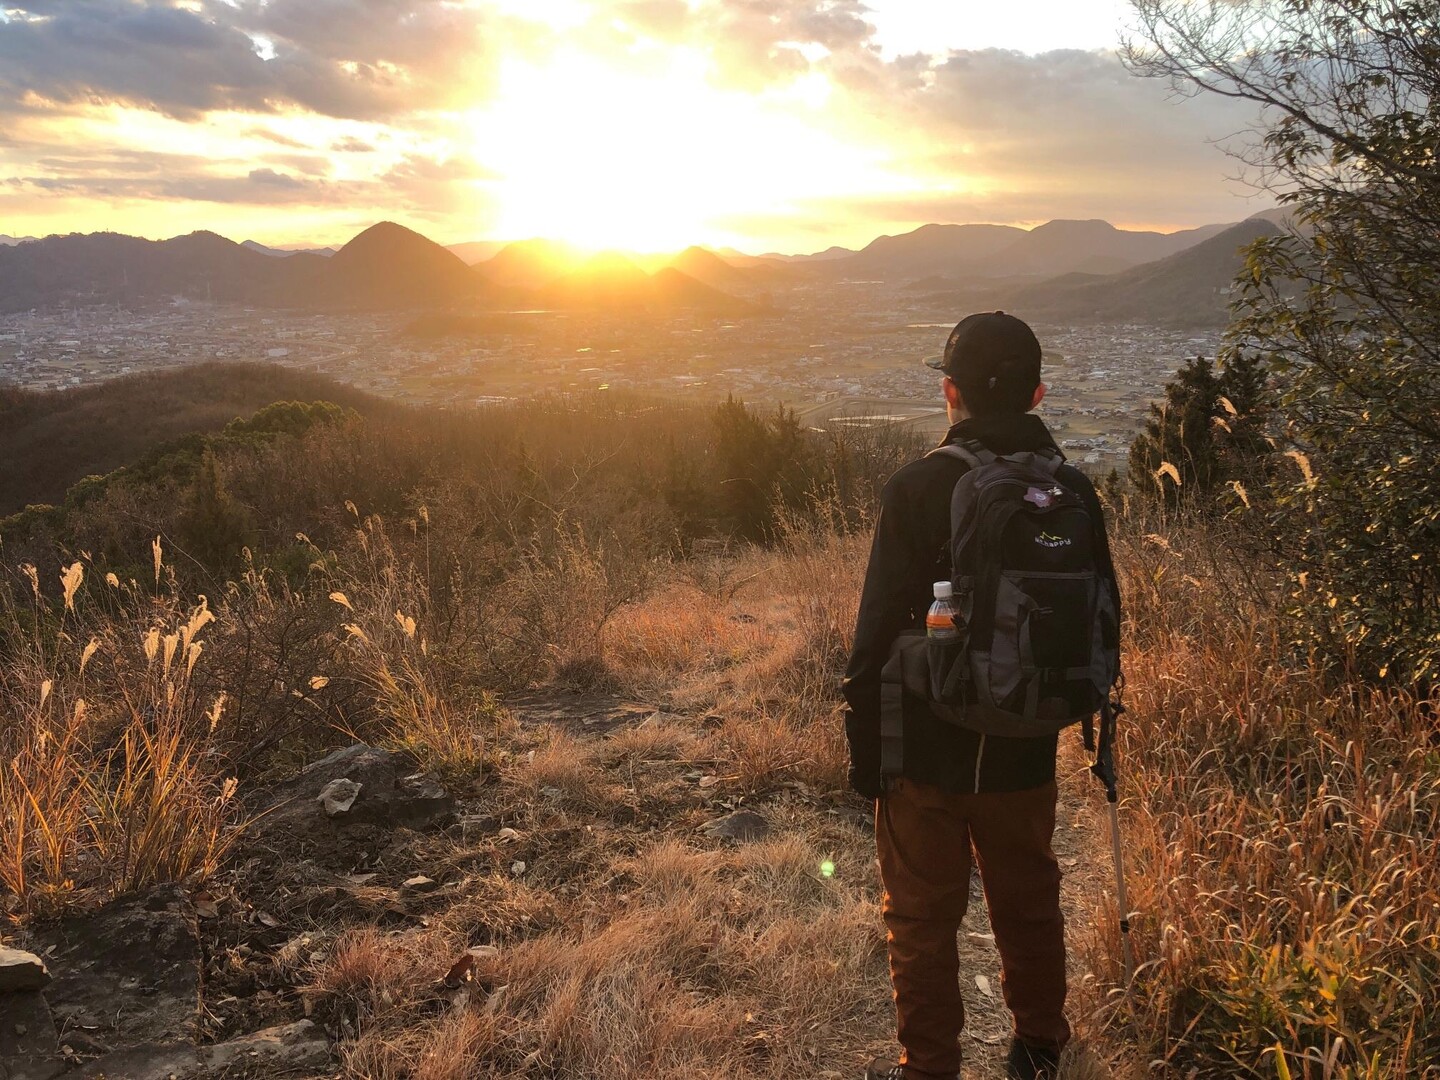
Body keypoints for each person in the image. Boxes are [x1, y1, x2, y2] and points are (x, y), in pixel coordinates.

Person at [843, 312, 1121, 1080]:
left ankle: (928, 1066)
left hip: (919, 744)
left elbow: (872, 638)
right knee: (1028, 904)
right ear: (1036, 393)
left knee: (921, 922)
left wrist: (866, 756)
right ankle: (1038, 1049)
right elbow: (1102, 623)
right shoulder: (1071, 490)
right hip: (1022, 740)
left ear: (950, 393)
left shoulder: (919, 486)